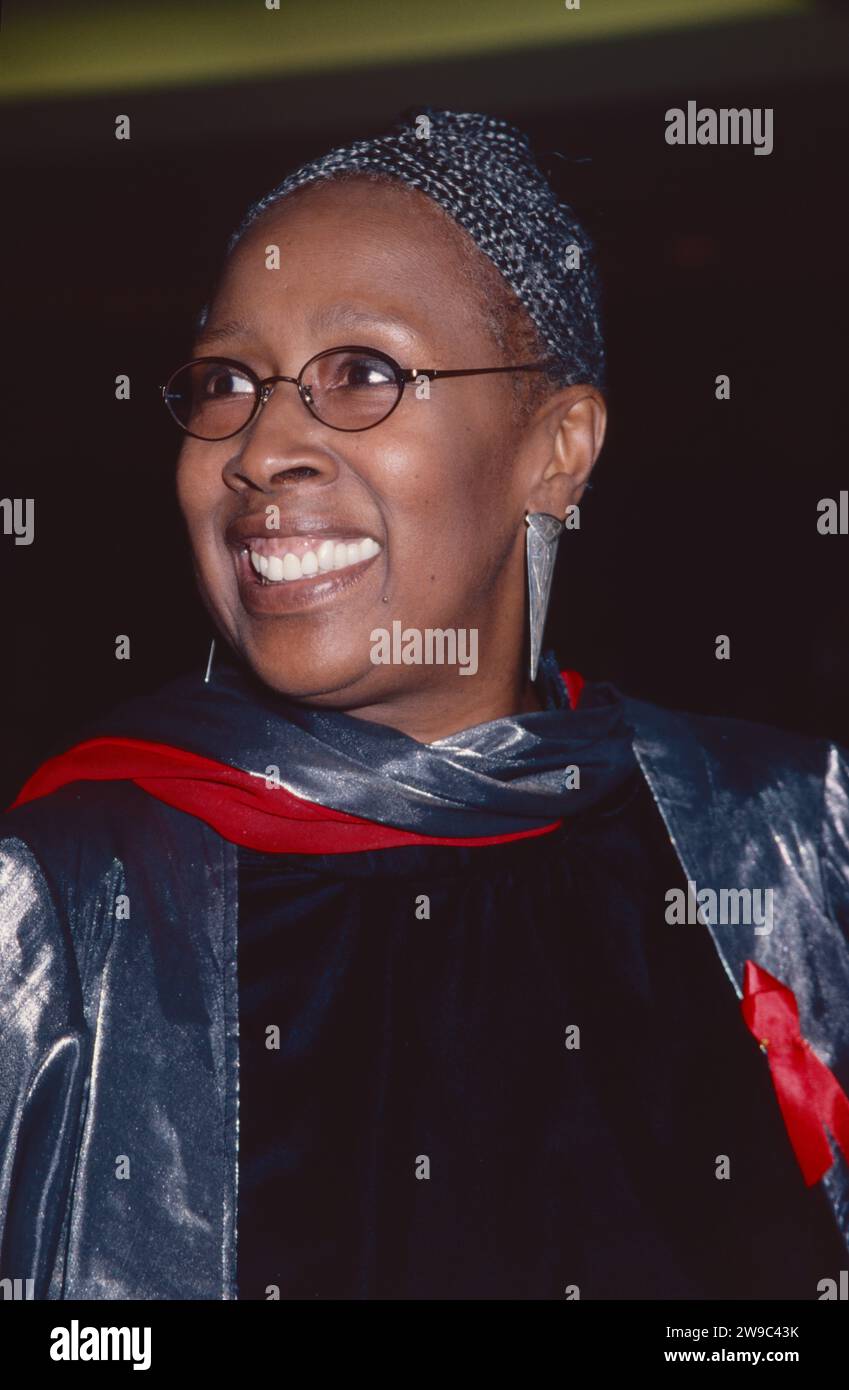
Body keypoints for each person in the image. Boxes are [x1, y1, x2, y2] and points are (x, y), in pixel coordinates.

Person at [1, 108, 848, 1302]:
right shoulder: (65, 908)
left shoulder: (783, 836)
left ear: (557, 448)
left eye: (361, 373)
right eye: (227, 381)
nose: (260, 447)